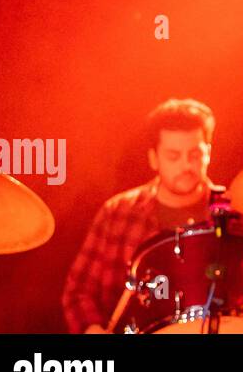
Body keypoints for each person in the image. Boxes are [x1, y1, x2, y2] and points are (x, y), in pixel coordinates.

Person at [62, 98, 224, 333]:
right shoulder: (118, 214)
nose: (186, 166)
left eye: (195, 155)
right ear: (153, 158)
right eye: (173, 156)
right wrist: (93, 330)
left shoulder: (236, 215)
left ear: (208, 153)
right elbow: (78, 291)